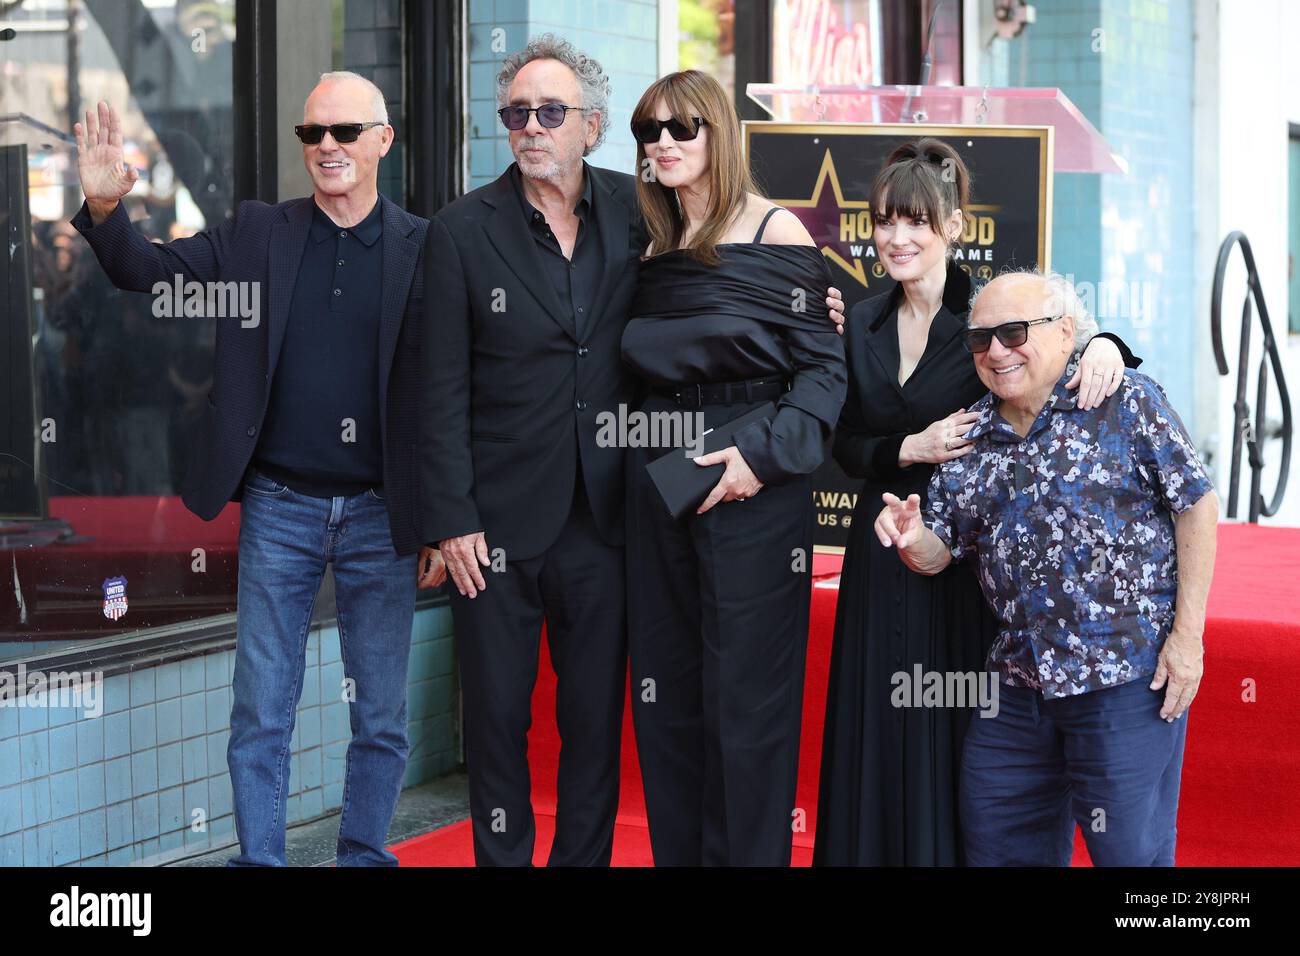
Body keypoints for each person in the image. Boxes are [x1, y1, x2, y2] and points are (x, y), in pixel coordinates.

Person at [421, 38, 845, 867]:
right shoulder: (493, 231)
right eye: (516, 113)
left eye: (550, 112)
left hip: (662, 507)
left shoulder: (660, 218)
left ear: (589, 126)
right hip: (565, 515)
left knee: (657, 719)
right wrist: (448, 516)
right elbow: (435, 388)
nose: (531, 127)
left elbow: (820, 350)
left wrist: (768, 440)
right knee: (555, 718)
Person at [72, 73, 446, 867]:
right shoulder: (257, 235)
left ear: (384, 139)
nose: (328, 148)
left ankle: (364, 857)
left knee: (380, 714)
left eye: (346, 132)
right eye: (313, 135)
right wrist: (107, 211)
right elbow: (149, 273)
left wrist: (447, 516)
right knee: (261, 710)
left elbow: (450, 395)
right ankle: (261, 863)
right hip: (281, 505)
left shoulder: (424, 248)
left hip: (384, 515)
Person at [813, 138, 1142, 866]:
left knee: (951, 727)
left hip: (966, 557)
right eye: (884, 222)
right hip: (882, 548)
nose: (896, 238)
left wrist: (1106, 344)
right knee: (877, 723)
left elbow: (1060, 350)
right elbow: (842, 441)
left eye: (917, 222)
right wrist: (909, 448)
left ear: (954, 226)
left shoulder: (988, 312)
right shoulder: (860, 322)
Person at [875, 269, 1217, 866]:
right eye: (980, 340)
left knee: (1131, 857)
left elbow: (1196, 504)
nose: (996, 352)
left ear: (1065, 332)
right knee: (998, 847)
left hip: (1124, 680)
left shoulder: (1123, 399)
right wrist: (912, 536)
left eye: (1013, 332)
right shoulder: (972, 435)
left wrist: (1188, 638)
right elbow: (939, 553)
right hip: (1015, 691)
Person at [621, 69, 847, 866]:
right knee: (670, 698)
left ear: (720, 132)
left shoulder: (775, 232)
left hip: (753, 490)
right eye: (651, 130)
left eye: (685, 127)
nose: (666, 143)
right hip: (658, 483)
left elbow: (826, 374)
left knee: (746, 705)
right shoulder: (645, 244)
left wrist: (759, 459)